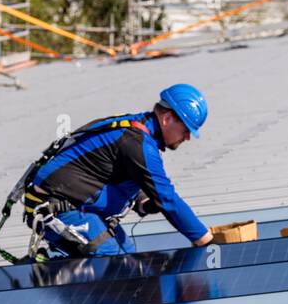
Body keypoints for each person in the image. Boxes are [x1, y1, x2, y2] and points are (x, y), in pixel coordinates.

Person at [20, 83, 212, 258]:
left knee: (126, 254)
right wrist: (205, 240)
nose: (187, 137)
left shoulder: (141, 133)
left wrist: (142, 201)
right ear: (167, 118)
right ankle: (50, 265)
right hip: (54, 207)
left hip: (78, 205)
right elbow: (168, 199)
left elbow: (112, 172)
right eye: (186, 129)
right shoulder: (136, 142)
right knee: (108, 255)